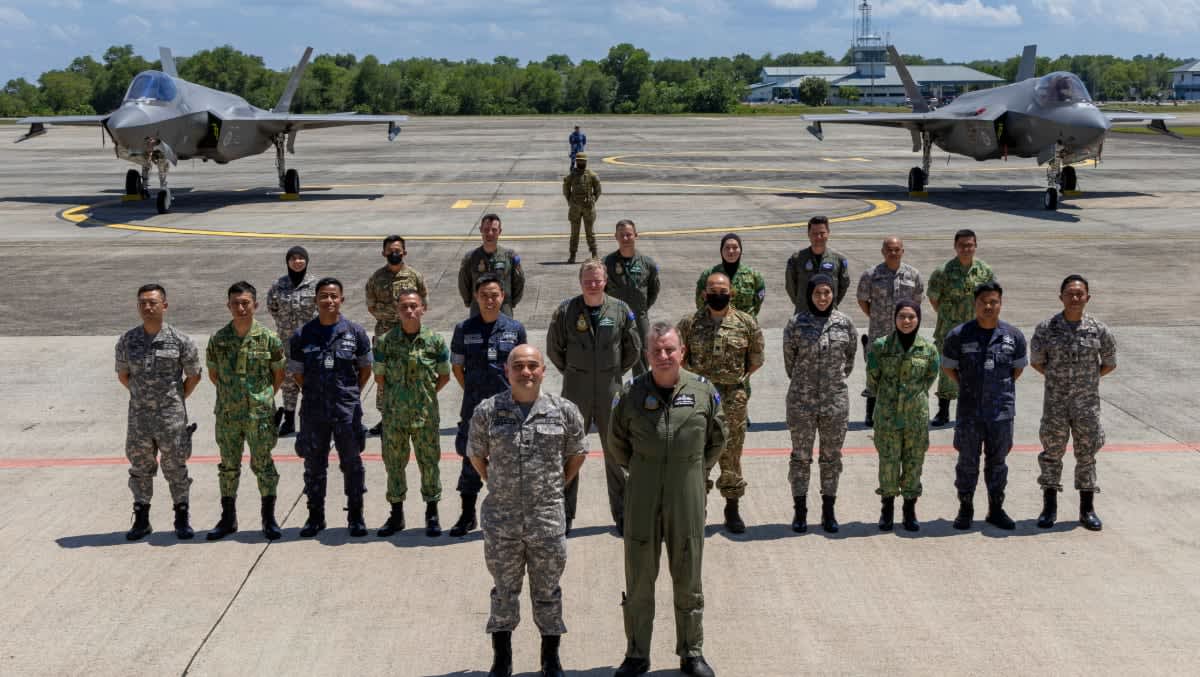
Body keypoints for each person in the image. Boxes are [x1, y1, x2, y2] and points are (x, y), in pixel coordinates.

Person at [609, 322, 726, 677]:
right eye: (657, 350)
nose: (663, 356)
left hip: (686, 488)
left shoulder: (703, 391)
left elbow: (718, 438)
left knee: (688, 573)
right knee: (639, 574)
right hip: (642, 490)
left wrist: (692, 470)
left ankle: (691, 652)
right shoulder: (630, 394)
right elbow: (617, 443)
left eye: (670, 349)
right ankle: (637, 654)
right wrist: (643, 468)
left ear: (682, 352)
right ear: (647, 355)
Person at [467, 345, 586, 677]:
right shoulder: (488, 411)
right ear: (507, 371)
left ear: (543, 371)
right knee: (504, 592)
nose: (526, 372)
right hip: (502, 520)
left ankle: (551, 659)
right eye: (518, 366)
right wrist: (496, 483)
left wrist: (557, 485)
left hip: (546, 519)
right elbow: (476, 454)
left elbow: (577, 452)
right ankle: (502, 659)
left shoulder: (564, 411)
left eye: (533, 365)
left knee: (548, 591)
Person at [546, 259, 640, 534]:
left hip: (610, 389)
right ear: (580, 282)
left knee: (616, 452)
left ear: (605, 280)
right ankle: (564, 514)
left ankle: (623, 514)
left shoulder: (620, 309)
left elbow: (632, 349)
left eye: (597, 280)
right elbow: (554, 348)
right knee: (569, 452)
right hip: (576, 389)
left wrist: (612, 372)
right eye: (588, 281)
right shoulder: (566, 311)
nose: (593, 285)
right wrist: (576, 371)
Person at [678, 272, 764, 534]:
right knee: (696, 453)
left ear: (731, 293)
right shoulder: (690, 323)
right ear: (704, 294)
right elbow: (680, 357)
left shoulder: (746, 323)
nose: (718, 295)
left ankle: (732, 509)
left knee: (731, 454)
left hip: (732, 400)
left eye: (723, 291)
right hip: (699, 398)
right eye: (713, 291)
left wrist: (734, 381)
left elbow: (756, 359)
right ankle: (698, 508)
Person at [116, 284, 202, 541]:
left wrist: (174, 399)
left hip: (171, 417)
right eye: (142, 303)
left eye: (152, 302)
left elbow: (194, 376)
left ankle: (181, 518)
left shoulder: (180, 340)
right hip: (139, 417)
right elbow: (123, 375)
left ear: (164, 305)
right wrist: (144, 398)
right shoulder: (128, 340)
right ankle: (141, 519)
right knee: (140, 467)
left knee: (175, 466)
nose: (147, 307)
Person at [289, 277, 374, 538]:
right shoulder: (302, 335)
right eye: (324, 296)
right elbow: (297, 373)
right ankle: (315, 516)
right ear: (316, 300)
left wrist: (349, 393)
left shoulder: (355, 332)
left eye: (333, 296)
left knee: (352, 463)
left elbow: (365, 369)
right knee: (314, 465)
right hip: (314, 410)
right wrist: (316, 392)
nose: (329, 300)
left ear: (342, 299)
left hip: (346, 410)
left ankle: (356, 516)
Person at [1030, 275, 1116, 531]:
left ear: (1088, 297)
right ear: (1061, 297)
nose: (1075, 298)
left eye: (1080, 294)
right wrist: (1059, 380)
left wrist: (1086, 381)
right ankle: (1049, 508)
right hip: (1055, 403)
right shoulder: (1046, 328)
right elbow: (1037, 361)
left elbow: (1109, 363)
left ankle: (1087, 509)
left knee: (1087, 454)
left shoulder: (1099, 329)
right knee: (1051, 453)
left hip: (1086, 405)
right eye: (1070, 293)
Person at [941, 281, 1026, 531]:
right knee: (967, 462)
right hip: (969, 412)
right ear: (975, 304)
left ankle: (996, 509)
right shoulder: (959, 335)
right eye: (983, 302)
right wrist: (968, 386)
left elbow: (1017, 369)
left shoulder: (1013, 336)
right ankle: (965, 508)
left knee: (997, 462)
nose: (988, 307)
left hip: (1000, 412)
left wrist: (997, 390)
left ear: (1000, 303)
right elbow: (949, 368)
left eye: (993, 302)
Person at [204, 281, 285, 541]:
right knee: (228, 466)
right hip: (228, 414)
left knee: (263, 465)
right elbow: (214, 375)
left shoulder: (269, 338)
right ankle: (228, 518)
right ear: (228, 306)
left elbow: (278, 375)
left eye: (245, 303)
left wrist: (261, 397)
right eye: (235, 303)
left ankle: (269, 519)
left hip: (259, 415)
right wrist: (234, 397)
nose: (240, 308)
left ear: (255, 305)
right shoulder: (219, 340)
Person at [449, 274, 528, 538]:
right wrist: (474, 392)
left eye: (494, 295)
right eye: (484, 295)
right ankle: (467, 515)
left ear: (502, 297)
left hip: (507, 407)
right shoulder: (464, 329)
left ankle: (509, 516)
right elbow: (457, 368)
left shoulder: (515, 329)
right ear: (476, 297)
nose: (489, 300)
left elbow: (522, 368)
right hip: (474, 407)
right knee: (471, 459)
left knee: (508, 461)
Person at [782, 274, 857, 534]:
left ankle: (828, 511)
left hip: (834, 403)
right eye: (817, 293)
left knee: (831, 458)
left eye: (827, 292)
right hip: (801, 402)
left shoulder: (844, 324)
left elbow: (849, 361)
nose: (823, 298)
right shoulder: (796, 323)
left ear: (833, 294)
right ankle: (800, 511)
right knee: (800, 458)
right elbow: (789, 362)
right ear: (809, 295)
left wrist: (830, 383)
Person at [373, 289, 451, 538]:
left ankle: (432, 514)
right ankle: (396, 514)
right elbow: (379, 377)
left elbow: (444, 375)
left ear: (423, 309)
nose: (409, 310)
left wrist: (424, 395)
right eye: (404, 306)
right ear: (397, 311)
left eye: (413, 306)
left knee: (429, 464)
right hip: (394, 416)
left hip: (425, 415)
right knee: (394, 465)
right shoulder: (385, 342)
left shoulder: (435, 341)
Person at [867, 301, 940, 532]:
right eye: (901, 316)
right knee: (888, 463)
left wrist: (911, 399)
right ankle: (886, 510)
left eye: (911, 317)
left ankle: (910, 510)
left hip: (915, 418)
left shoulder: (928, 349)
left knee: (913, 463)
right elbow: (873, 379)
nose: (906, 321)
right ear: (894, 318)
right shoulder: (881, 346)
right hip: (887, 416)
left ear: (918, 319)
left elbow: (930, 377)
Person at [928, 229, 994, 427]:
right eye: (962, 245)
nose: (966, 249)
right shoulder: (943, 272)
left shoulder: (985, 271)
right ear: (955, 247)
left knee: (975, 370)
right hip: (949, 330)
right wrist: (949, 316)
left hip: (977, 329)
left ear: (975, 246)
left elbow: (991, 298)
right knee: (947, 369)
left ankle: (972, 411)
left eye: (970, 245)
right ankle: (943, 411)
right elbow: (934, 298)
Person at [856, 237, 923, 427]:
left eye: (896, 249)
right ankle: (870, 413)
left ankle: (900, 412)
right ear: (883, 251)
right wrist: (875, 317)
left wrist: (907, 322)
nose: (893, 253)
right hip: (879, 332)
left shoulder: (913, 275)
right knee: (874, 371)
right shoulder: (871, 275)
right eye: (889, 249)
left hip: (904, 333)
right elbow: (862, 299)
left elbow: (917, 301)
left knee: (903, 371)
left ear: (902, 251)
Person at [365, 234, 428, 435]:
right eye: (390, 251)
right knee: (383, 375)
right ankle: (386, 417)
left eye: (397, 251)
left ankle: (413, 415)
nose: (394, 254)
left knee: (412, 372)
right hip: (385, 335)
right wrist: (397, 314)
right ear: (383, 253)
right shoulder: (376, 278)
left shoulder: (414, 277)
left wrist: (403, 316)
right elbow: (371, 307)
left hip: (410, 334)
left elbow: (423, 304)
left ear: (404, 252)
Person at [266, 245, 318, 436]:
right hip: (287, 343)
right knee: (288, 382)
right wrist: (286, 325)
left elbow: (323, 309)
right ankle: (289, 420)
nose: (297, 262)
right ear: (287, 262)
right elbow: (272, 307)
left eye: (301, 258)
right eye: (293, 258)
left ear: (307, 261)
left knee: (311, 381)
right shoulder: (278, 285)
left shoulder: (315, 285)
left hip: (311, 343)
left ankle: (312, 420)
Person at [604, 219, 660, 377]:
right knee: (612, 356)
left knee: (642, 357)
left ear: (636, 235)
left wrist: (641, 309)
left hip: (639, 318)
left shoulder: (647, 264)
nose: (625, 238)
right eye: (621, 235)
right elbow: (601, 291)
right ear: (615, 237)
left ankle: (639, 389)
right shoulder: (606, 263)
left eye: (628, 234)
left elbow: (653, 290)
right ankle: (613, 390)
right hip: (614, 318)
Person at [457, 213, 525, 318]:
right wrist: (469, 302)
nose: (490, 233)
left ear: (500, 231)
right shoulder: (470, 258)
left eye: (494, 230)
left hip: (503, 310)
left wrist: (510, 302)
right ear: (480, 230)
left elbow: (519, 282)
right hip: (478, 310)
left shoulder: (509, 257)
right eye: (486, 229)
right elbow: (464, 283)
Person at [785, 216, 850, 314]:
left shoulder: (839, 260)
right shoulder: (797, 259)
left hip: (829, 316)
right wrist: (802, 304)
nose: (818, 237)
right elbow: (790, 287)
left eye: (822, 233)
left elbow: (843, 286)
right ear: (808, 234)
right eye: (814, 233)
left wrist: (830, 303)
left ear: (828, 233)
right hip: (804, 315)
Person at [693, 233, 766, 317]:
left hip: (744, 324)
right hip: (716, 323)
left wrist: (747, 319)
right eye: (727, 248)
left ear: (740, 250)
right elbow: (700, 302)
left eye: (735, 247)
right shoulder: (708, 275)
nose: (731, 251)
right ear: (721, 250)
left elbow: (758, 302)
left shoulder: (754, 275)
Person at [562, 152, 602, 263]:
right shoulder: (572, 175)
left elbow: (598, 190)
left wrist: (593, 200)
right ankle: (573, 254)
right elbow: (566, 188)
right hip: (575, 208)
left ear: (586, 162)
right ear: (576, 161)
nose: (580, 162)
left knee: (590, 232)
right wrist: (570, 200)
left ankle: (594, 253)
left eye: (582, 161)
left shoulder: (592, 175)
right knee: (574, 233)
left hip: (588, 207)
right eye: (579, 160)